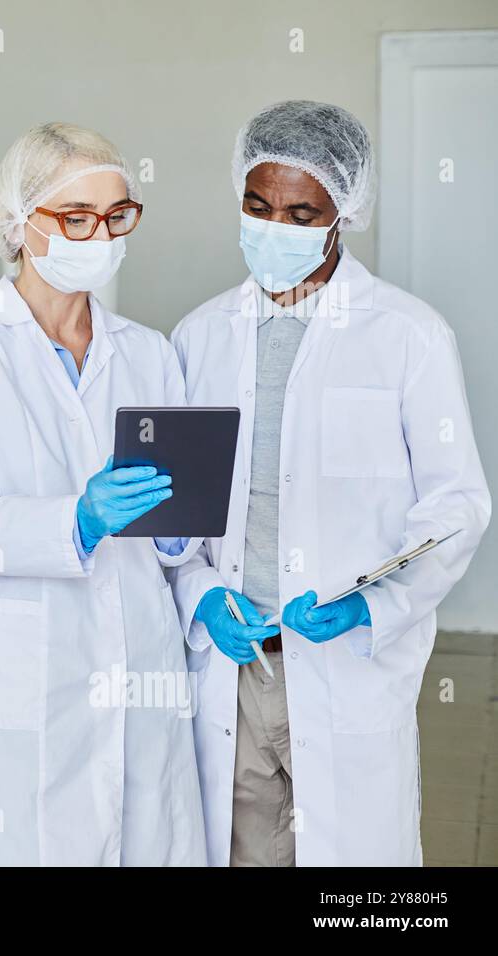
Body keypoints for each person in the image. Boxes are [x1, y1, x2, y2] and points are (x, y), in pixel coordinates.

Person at [167, 100, 491, 866]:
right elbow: (174, 520)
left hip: (348, 664)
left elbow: (457, 508)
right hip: (235, 669)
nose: (274, 226)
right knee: (240, 850)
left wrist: (368, 605)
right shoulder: (196, 337)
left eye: (300, 211)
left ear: (343, 213)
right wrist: (200, 597)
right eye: (257, 205)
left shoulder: (407, 336)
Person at [0, 123, 206, 866]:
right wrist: (76, 519)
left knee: (150, 836)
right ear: (19, 223)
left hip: (142, 656)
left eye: (115, 216)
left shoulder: (147, 350)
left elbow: (179, 537)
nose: (99, 235)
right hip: (31, 672)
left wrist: (175, 529)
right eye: (76, 218)